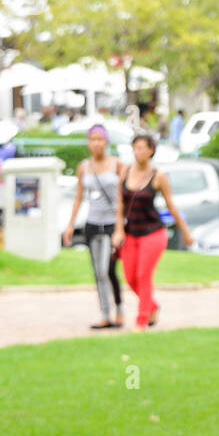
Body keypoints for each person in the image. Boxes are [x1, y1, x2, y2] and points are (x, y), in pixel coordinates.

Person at [113, 132, 194, 330]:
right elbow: (120, 204)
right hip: (131, 232)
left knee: (143, 276)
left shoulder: (159, 177)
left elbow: (171, 206)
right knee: (130, 278)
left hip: (153, 233)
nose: (138, 152)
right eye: (135, 147)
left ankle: (141, 321)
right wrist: (118, 231)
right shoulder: (124, 171)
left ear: (151, 151)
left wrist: (185, 232)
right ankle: (152, 306)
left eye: (142, 148)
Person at [63, 124, 125, 330]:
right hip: (92, 223)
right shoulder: (84, 167)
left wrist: (119, 228)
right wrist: (70, 224)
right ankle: (105, 314)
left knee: (107, 269)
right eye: (92, 139)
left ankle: (119, 309)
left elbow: (121, 198)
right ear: (88, 142)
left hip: (110, 224)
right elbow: (79, 197)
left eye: (100, 139)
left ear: (106, 141)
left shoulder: (117, 164)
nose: (96, 143)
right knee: (97, 271)